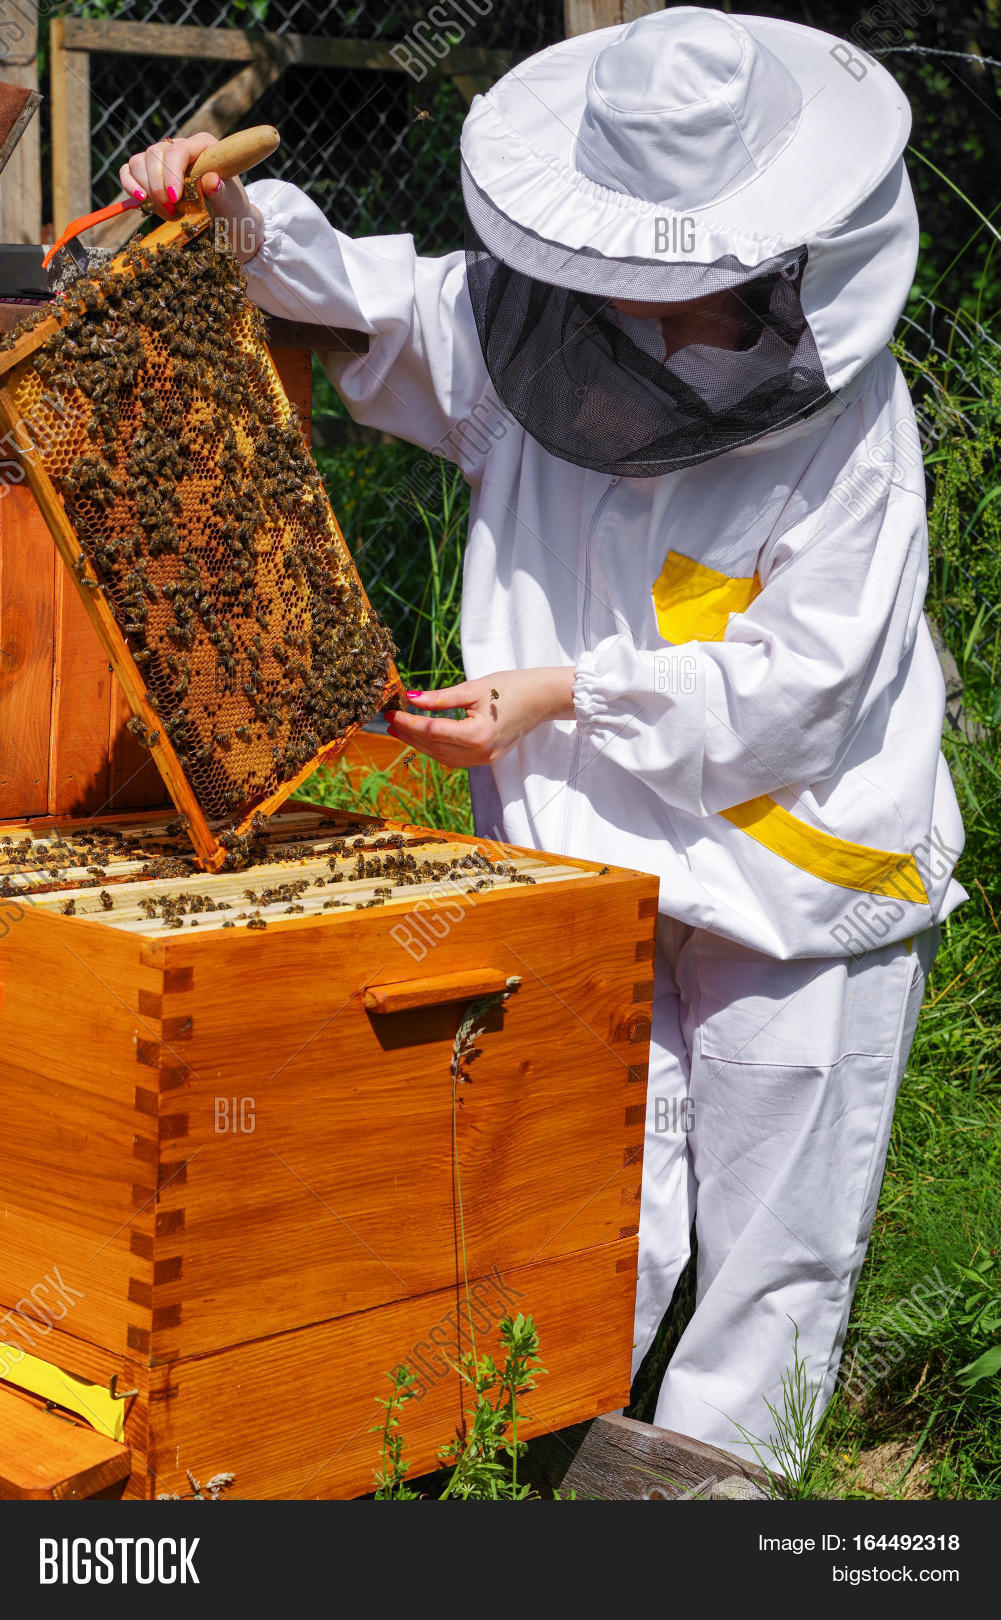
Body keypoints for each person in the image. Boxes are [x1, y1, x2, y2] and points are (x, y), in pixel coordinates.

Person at [122, 6, 966, 1468]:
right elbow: (362, 299)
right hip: (581, 849)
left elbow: (804, 685)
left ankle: (720, 1489)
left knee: (778, 1219)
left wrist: (560, 694)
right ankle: (539, 1435)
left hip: (793, 863)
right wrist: (233, 208)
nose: (642, 307)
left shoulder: (851, 423)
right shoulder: (518, 320)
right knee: (585, 1161)